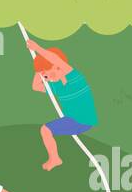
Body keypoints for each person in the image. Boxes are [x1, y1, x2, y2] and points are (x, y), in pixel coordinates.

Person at [25, 39, 98, 171]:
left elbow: (56, 59)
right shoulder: (56, 86)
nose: (50, 78)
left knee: (45, 130)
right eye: (47, 77)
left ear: (59, 66)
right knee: (46, 130)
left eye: (52, 73)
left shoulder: (75, 77)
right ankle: (55, 158)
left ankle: (55, 159)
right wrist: (39, 70)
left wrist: (38, 49)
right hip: (72, 120)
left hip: (84, 120)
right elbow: (35, 86)